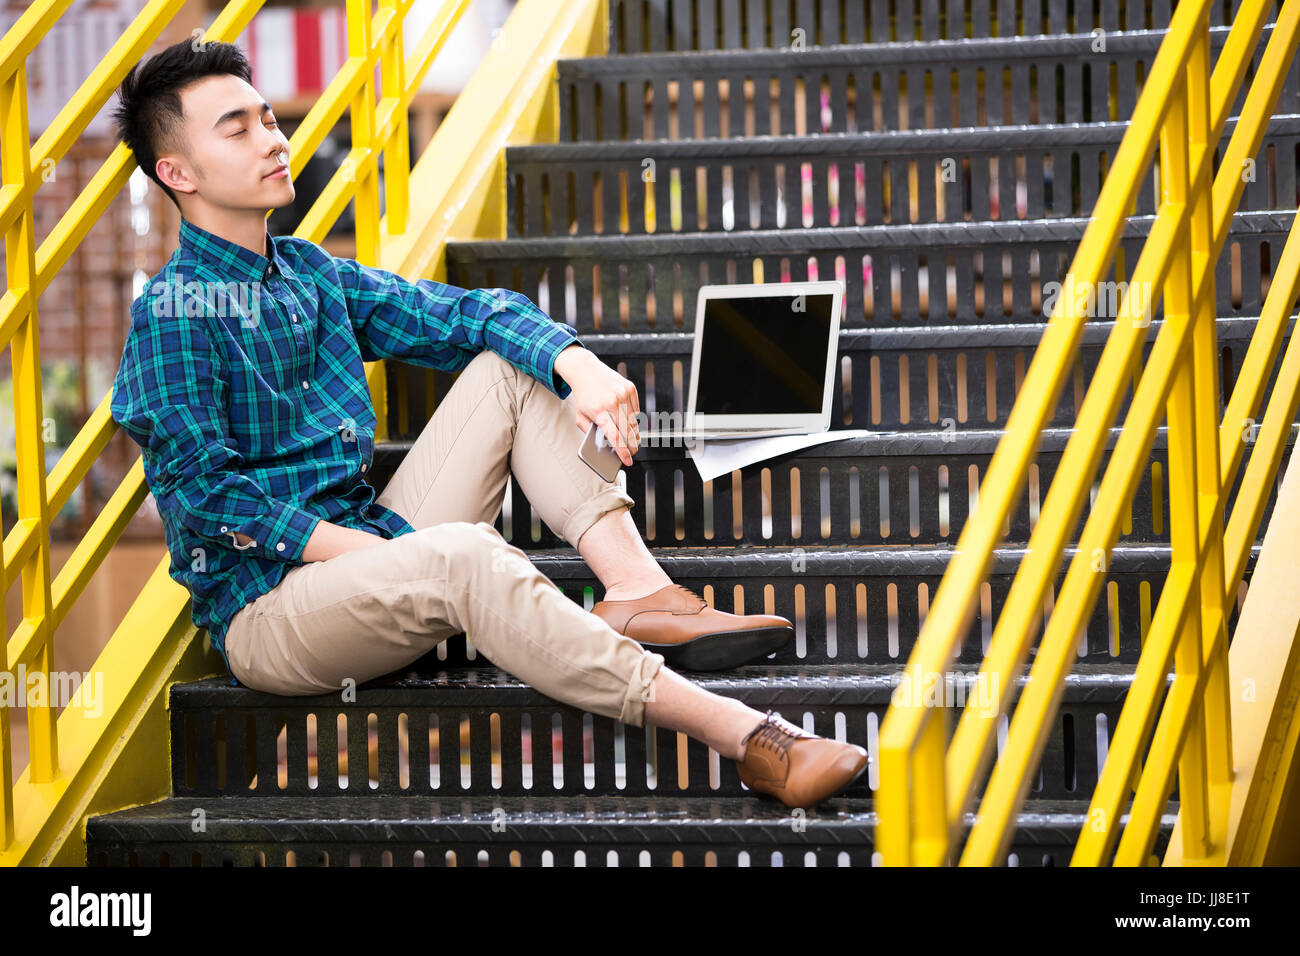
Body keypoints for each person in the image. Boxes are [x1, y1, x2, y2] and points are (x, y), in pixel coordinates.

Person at [107, 39, 868, 808]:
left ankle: (638, 590)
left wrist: (579, 366)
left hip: (375, 554)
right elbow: (207, 498)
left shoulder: (309, 273)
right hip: (273, 612)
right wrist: (372, 551)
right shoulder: (172, 313)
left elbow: (467, 314)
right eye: (237, 128)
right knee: (467, 554)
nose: (274, 138)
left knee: (512, 365)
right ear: (179, 172)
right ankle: (748, 737)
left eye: (269, 117)